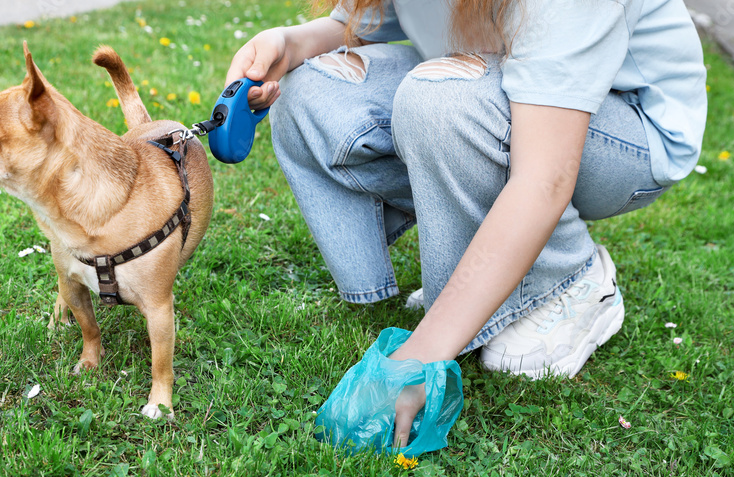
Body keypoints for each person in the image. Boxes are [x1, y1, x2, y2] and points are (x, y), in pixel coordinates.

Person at [225, 0, 706, 448]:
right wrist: (286, 43)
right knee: (314, 87)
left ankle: (570, 276)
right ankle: (464, 275)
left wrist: (422, 355)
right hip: (484, 90)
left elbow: (544, 178)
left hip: (627, 136)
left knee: (440, 102)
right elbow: (353, 27)